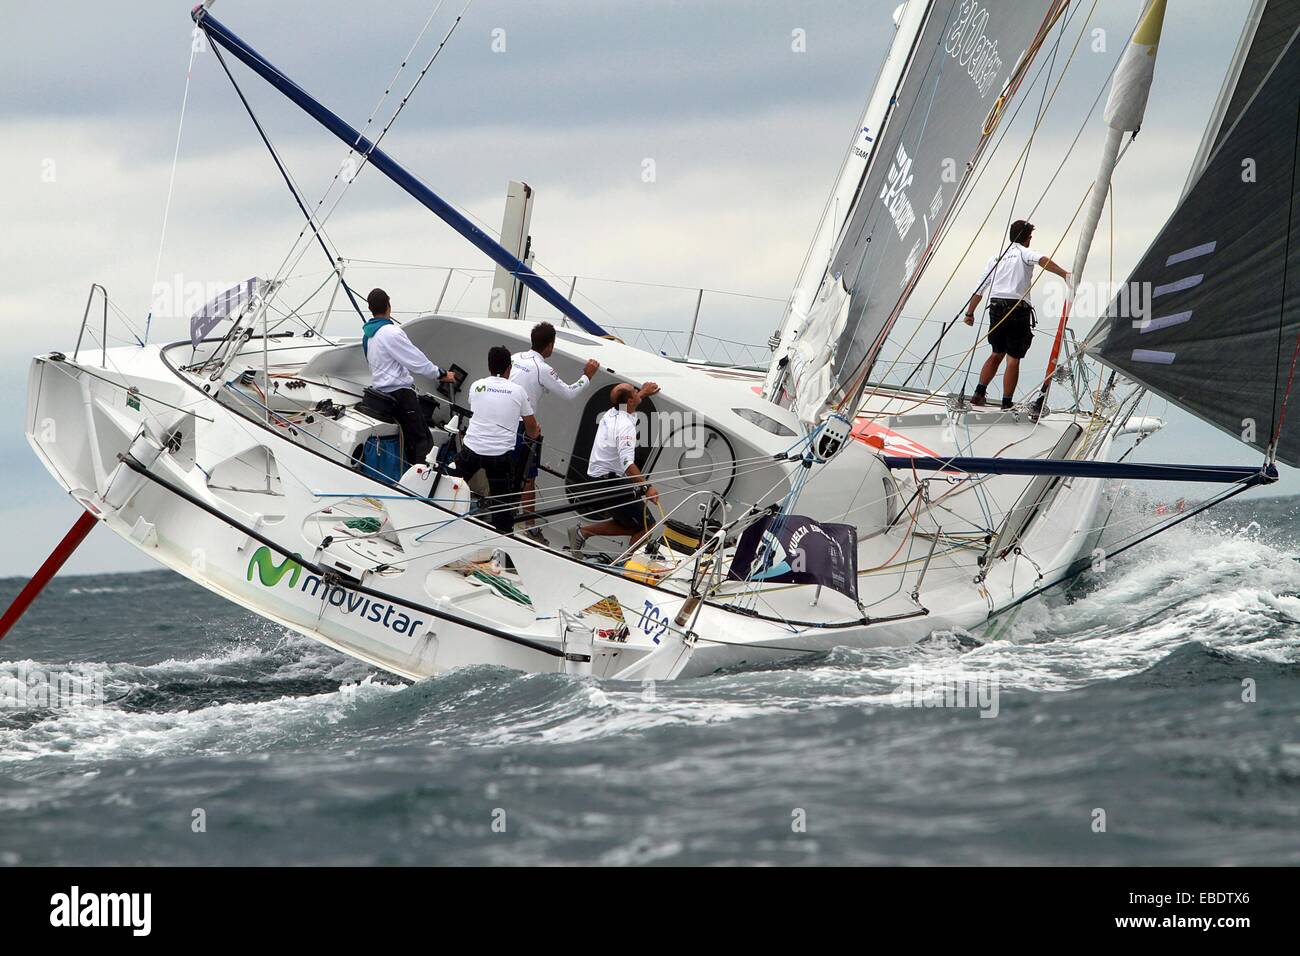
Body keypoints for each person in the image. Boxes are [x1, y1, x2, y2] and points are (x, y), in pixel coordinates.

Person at [963, 220, 1070, 410]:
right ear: (1027, 239)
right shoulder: (1024, 253)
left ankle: (979, 394)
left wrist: (970, 313)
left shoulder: (996, 257)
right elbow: (1043, 261)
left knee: (996, 353)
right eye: (1030, 237)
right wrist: (1065, 275)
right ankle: (1006, 403)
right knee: (1013, 358)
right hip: (1016, 309)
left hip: (995, 306)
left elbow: (979, 289)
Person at [509, 321, 600, 543]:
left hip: (502, 421)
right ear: (550, 345)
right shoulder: (543, 368)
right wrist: (587, 376)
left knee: (502, 468)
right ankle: (529, 527)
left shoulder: (515, 357)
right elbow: (569, 393)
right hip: (523, 427)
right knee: (527, 478)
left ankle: (497, 510)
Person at [362, 288, 456, 469]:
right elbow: (417, 362)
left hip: (382, 396)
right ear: (389, 305)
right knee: (423, 443)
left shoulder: (368, 336)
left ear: (370, 308)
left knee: (412, 442)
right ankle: (420, 487)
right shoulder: (391, 332)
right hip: (401, 396)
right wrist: (442, 374)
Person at [455, 346, 540, 535]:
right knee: (502, 506)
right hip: (499, 457)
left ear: (489, 366)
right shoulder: (518, 391)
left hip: (471, 451)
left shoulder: (476, 385)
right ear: (510, 367)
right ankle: (501, 536)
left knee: (451, 484)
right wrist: (535, 432)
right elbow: (532, 430)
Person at [568, 381, 660, 555]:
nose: (637, 390)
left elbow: (628, 401)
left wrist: (643, 393)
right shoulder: (625, 426)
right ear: (630, 401)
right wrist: (647, 487)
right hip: (609, 482)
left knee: (633, 524)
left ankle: (583, 532)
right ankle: (625, 567)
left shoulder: (612, 412)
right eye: (635, 391)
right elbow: (627, 464)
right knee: (646, 526)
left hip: (600, 478)